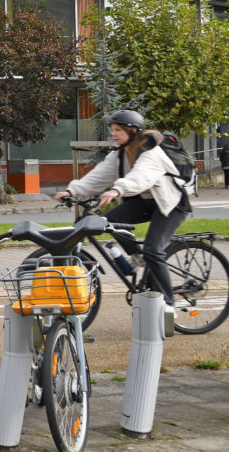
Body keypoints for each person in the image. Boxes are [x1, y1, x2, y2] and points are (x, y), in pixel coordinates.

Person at [56, 110, 190, 308]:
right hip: (145, 202)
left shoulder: (150, 151)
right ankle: (138, 257)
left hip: (170, 204)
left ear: (133, 130)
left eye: (118, 129)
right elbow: (98, 176)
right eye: (112, 129)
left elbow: (141, 177)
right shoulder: (119, 154)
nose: (113, 133)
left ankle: (167, 305)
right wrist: (71, 191)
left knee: (153, 250)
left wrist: (117, 190)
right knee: (109, 221)